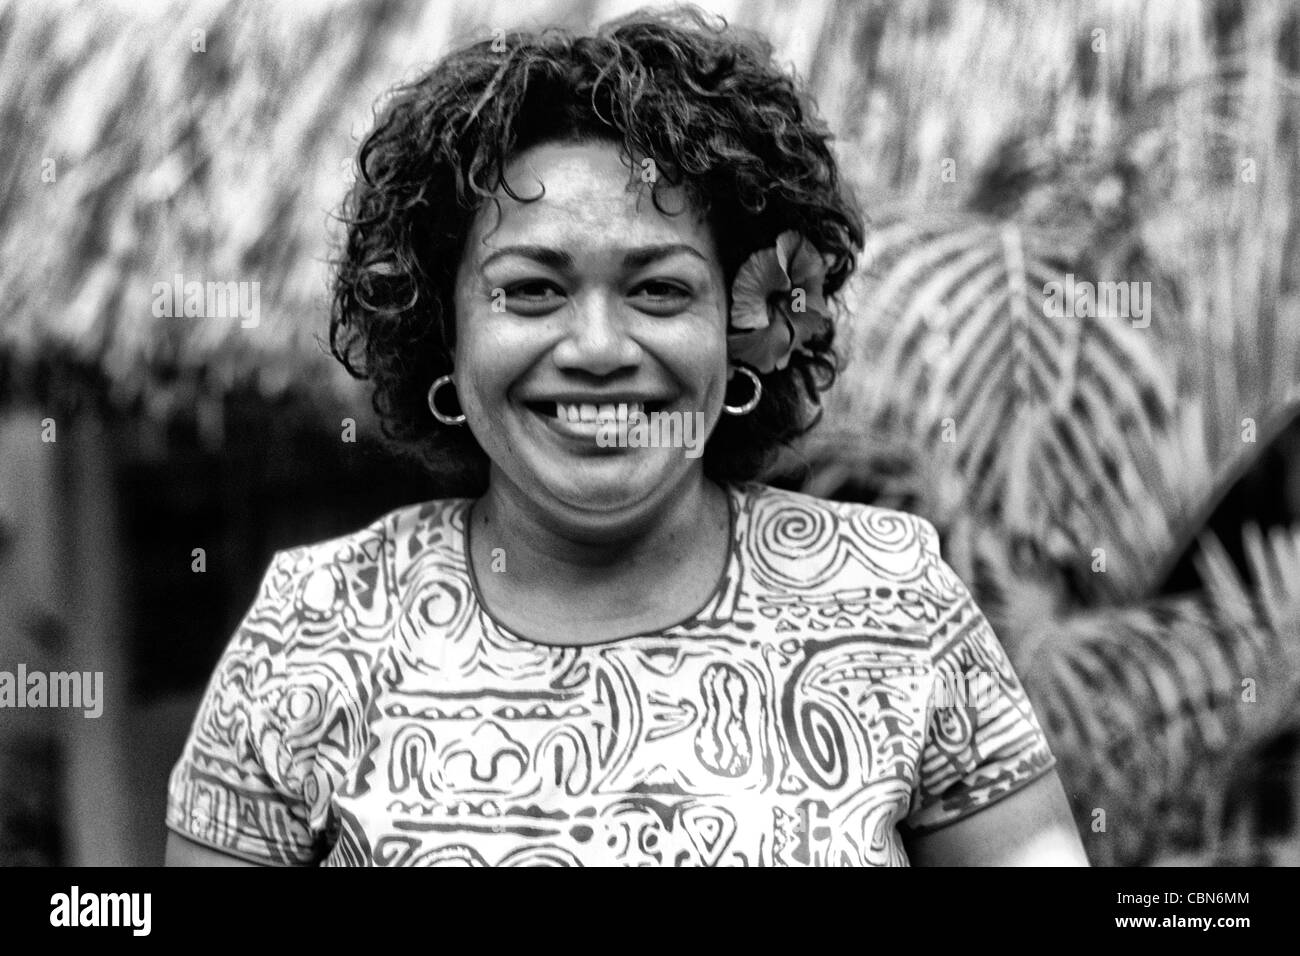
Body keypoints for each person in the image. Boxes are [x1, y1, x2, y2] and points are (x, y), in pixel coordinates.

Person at [164, 6, 1088, 867]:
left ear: (742, 326)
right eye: (531, 290)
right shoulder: (315, 630)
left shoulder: (888, 600)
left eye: (659, 290)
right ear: (442, 332)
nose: (600, 349)